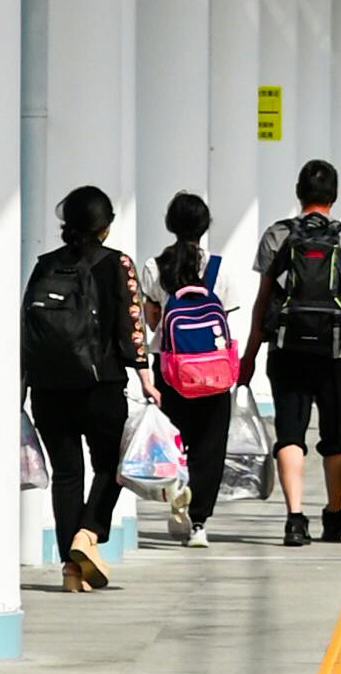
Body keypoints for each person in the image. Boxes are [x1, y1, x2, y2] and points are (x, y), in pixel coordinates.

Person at [245, 161, 341, 549]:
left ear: (298, 191)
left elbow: (263, 300)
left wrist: (251, 353)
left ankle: (294, 518)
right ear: (334, 196)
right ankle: (333, 515)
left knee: (290, 432)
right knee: (335, 434)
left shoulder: (277, 235)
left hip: (287, 348)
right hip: (338, 351)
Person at [22, 184, 138, 591]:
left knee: (67, 474)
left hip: (49, 387)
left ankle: (71, 571)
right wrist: (146, 375)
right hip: (101, 383)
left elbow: (27, 329)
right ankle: (87, 536)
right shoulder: (117, 264)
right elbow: (131, 325)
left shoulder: (44, 265)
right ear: (105, 225)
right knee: (112, 467)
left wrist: (22, 387)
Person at [151, 193, 241, 538]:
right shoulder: (221, 267)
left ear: (170, 225)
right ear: (205, 226)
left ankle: (177, 494)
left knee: (174, 439)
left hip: (170, 369)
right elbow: (226, 319)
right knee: (210, 444)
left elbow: (152, 319)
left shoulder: (154, 267)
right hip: (213, 370)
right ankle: (199, 522)